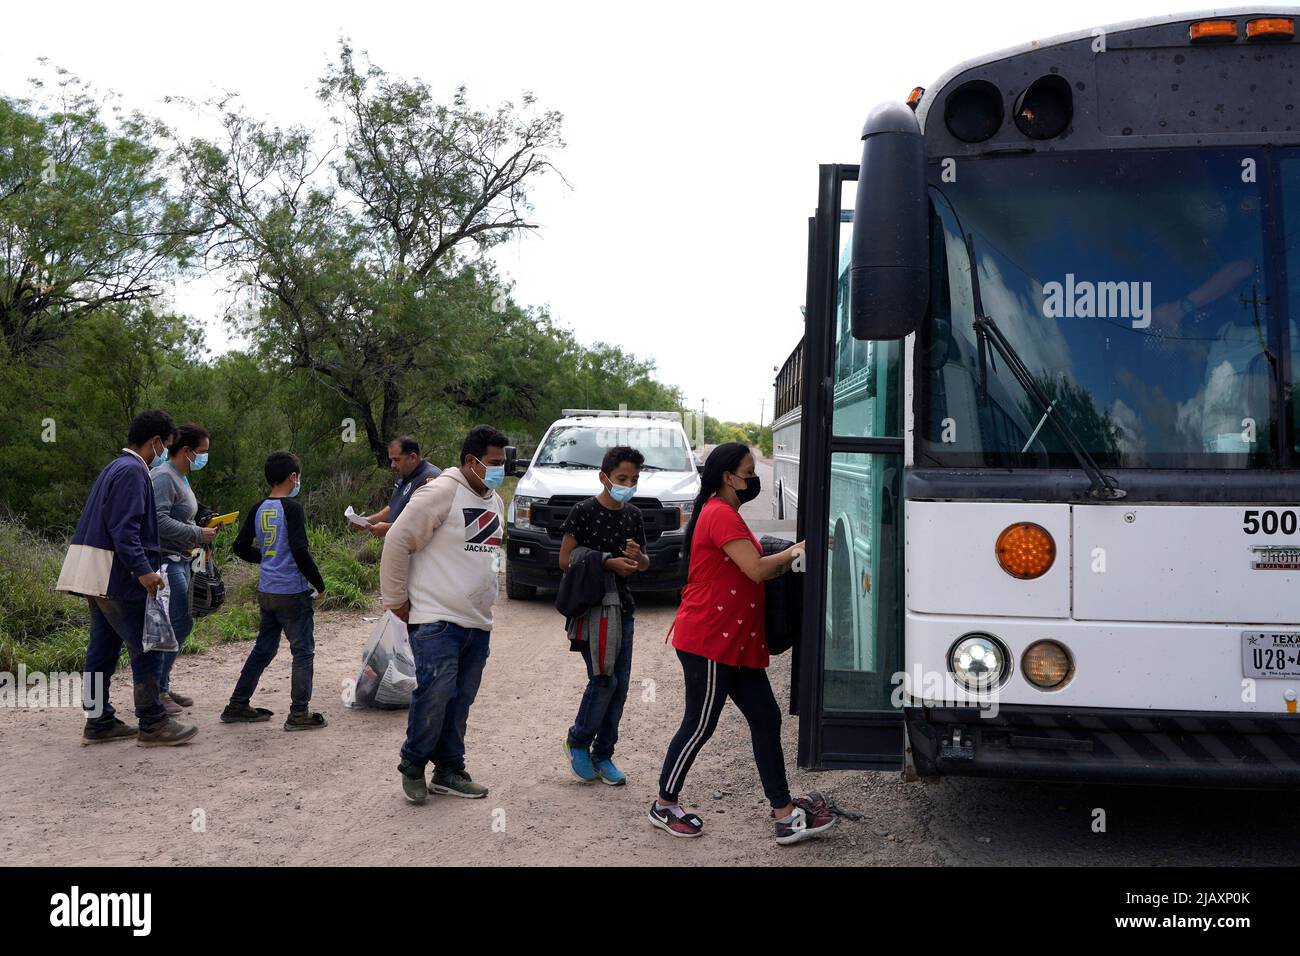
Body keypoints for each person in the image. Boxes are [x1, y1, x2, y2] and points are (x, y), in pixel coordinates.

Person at [649, 442, 836, 846]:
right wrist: (797, 550)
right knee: (700, 725)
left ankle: (784, 815)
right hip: (711, 640)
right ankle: (664, 804)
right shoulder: (719, 514)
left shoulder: (724, 513)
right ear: (727, 477)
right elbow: (754, 570)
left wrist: (792, 553)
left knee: (766, 719)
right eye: (748, 472)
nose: (753, 479)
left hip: (736, 641)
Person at [56, 409, 199, 746]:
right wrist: (144, 572)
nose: (165, 451)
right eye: (165, 445)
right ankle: (153, 723)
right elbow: (126, 530)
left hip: (95, 573)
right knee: (146, 646)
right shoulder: (134, 472)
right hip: (117, 577)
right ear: (155, 442)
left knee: (103, 648)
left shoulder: (114, 467)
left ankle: (98, 720)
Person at [382, 425, 508, 804]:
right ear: (471, 461)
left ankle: (450, 770)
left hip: (476, 622)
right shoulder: (442, 490)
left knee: (459, 700)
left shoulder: (495, 500)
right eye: (495, 462)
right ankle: (413, 765)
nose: (502, 469)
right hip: (437, 619)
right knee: (435, 694)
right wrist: (396, 600)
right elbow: (397, 539)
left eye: (504, 462)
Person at [558, 445, 648, 786]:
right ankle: (578, 741)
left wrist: (637, 558)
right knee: (603, 678)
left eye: (634, 479)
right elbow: (565, 559)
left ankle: (604, 754)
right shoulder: (582, 511)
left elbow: (644, 564)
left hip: (623, 609)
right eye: (622, 478)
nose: (628, 484)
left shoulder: (633, 515)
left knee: (620, 685)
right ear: (604, 477)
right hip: (591, 609)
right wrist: (606, 561)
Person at [222, 451, 328, 731]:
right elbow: (300, 550)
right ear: (293, 477)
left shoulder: (259, 507)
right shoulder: (292, 509)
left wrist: (267, 559)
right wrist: (319, 583)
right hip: (291, 592)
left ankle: (237, 704)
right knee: (303, 652)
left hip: (267, 590)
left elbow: (240, 547)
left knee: (264, 649)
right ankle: (299, 714)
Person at [150, 423, 219, 714]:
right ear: (187, 451)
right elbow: (157, 520)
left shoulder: (181, 476)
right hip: (165, 561)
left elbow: (182, 516)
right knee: (179, 621)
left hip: (181, 558)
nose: (204, 458)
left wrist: (203, 526)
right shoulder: (164, 477)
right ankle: (155, 690)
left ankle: (161, 686)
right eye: (202, 452)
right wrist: (196, 535)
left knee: (181, 621)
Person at [355, 436, 442, 538]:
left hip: (421, 551)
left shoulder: (430, 478)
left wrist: (389, 529)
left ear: (413, 457)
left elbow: (427, 521)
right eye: (391, 460)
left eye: (396, 460)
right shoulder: (404, 474)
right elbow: (394, 506)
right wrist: (369, 520)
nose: (392, 465)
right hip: (400, 547)